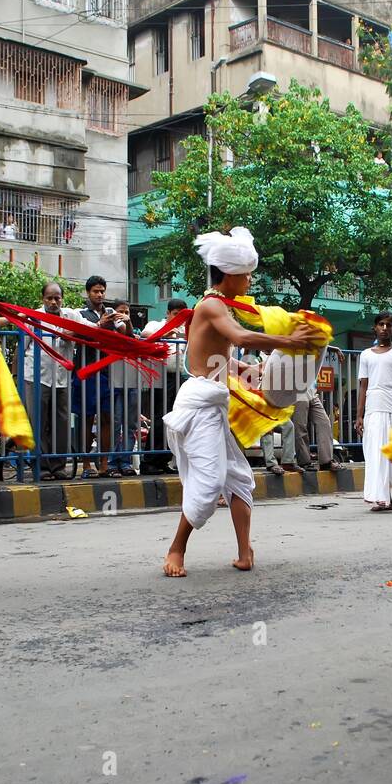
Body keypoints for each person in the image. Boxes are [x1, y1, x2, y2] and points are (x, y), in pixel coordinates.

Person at [161, 227, 321, 577]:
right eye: (246, 274)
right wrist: (289, 341)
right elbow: (240, 336)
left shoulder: (219, 306)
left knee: (239, 478)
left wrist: (252, 368)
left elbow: (218, 357)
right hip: (199, 406)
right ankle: (176, 549)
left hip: (215, 405)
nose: (250, 279)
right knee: (208, 485)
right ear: (229, 275)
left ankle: (244, 551)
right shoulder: (212, 305)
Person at [356, 312, 392, 513]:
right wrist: (359, 415)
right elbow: (363, 386)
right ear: (375, 328)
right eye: (381, 324)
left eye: (389, 325)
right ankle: (384, 499)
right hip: (372, 408)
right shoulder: (365, 355)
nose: (385, 328)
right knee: (374, 454)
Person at [24, 282, 79, 480]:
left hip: (62, 378)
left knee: (62, 423)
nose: (54, 302)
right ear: (43, 299)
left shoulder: (71, 316)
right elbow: (23, 347)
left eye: (57, 298)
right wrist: (16, 377)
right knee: (38, 422)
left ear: (62, 299)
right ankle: (42, 467)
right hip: (36, 376)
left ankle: (59, 466)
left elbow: (89, 328)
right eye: (49, 298)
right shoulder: (34, 316)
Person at [74, 275, 116, 478]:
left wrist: (125, 321)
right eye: (95, 291)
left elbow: (124, 336)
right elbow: (76, 334)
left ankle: (105, 463)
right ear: (88, 292)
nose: (100, 295)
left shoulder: (112, 313)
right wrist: (100, 325)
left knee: (107, 418)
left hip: (108, 372)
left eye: (102, 291)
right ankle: (86, 463)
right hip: (87, 371)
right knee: (86, 418)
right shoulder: (79, 314)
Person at [141, 298, 188, 475]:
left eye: (182, 315)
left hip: (178, 376)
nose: (179, 319)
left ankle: (164, 459)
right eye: (176, 315)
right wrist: (166, 333)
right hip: (159, 376)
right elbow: (145, 335)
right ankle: (150, 460)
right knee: (160, 418)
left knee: (174, 420)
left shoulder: (184, 330)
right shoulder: (156, 324)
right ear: (168, 314)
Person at [293, 346, 342, 471]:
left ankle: (326, 461)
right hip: (297, 390)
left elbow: (321, 342)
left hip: (311, 391)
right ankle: (304, 461)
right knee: (300, 426)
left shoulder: (315, 339)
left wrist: (334, 349)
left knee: (324, 422)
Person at [108, 299, 140, 477]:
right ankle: (112, 462)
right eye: (121, 311)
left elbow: (130, 338)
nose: (124, 315)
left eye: (127, 312)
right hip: (115, 382)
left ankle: (126, 461)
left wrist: (128, 321)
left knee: (130, 424)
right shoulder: (109, 328)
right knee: (115, 422)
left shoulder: (132, 330)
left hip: (131, 380)